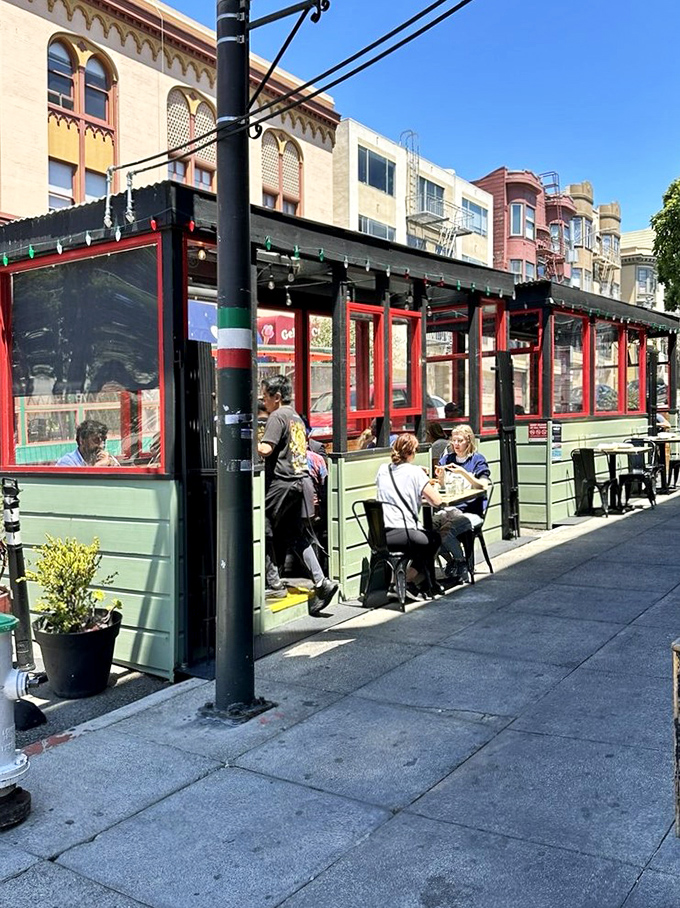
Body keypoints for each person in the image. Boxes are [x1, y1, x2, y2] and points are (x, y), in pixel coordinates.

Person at [258, 374, 338, 616]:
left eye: (265, 397)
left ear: (277, 397)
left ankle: (274, 583)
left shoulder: (277, 416)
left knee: (262, 526)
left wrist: (246, 437)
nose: (264, 402)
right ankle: (321, 582)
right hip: (300, 481)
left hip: (281, 482)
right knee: (296, 535)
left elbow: (265, 449)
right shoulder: (296, 418)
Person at [375, 433, 443, 598]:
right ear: (413, 452)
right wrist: (430, 479)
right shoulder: (415, 473)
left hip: (380, 535)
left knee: (422, 542)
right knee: (433, 540)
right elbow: (437, 501)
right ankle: (404, 580)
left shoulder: (383, 470)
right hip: (404, 533)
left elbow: (397, 485)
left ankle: (401, 582)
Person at [436, 424, 491, 583]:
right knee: (428, 531)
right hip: (449, 508)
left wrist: (463, 473)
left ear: (469, 441)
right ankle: (456, 560)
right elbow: (442, 487)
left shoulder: (477, 460)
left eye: (460, 440)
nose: (456, 444)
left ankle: (461, 562)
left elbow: (484, 485)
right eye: (454, 441)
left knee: (445, 531)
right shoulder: (447, 458)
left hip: (471, 511)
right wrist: (440, 478)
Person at [56, 419, 120, 467]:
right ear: (82, 441)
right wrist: (99, 466)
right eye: (96, 440)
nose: (101, 446)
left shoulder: (107, 459)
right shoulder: (67, 462)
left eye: (104, 440)